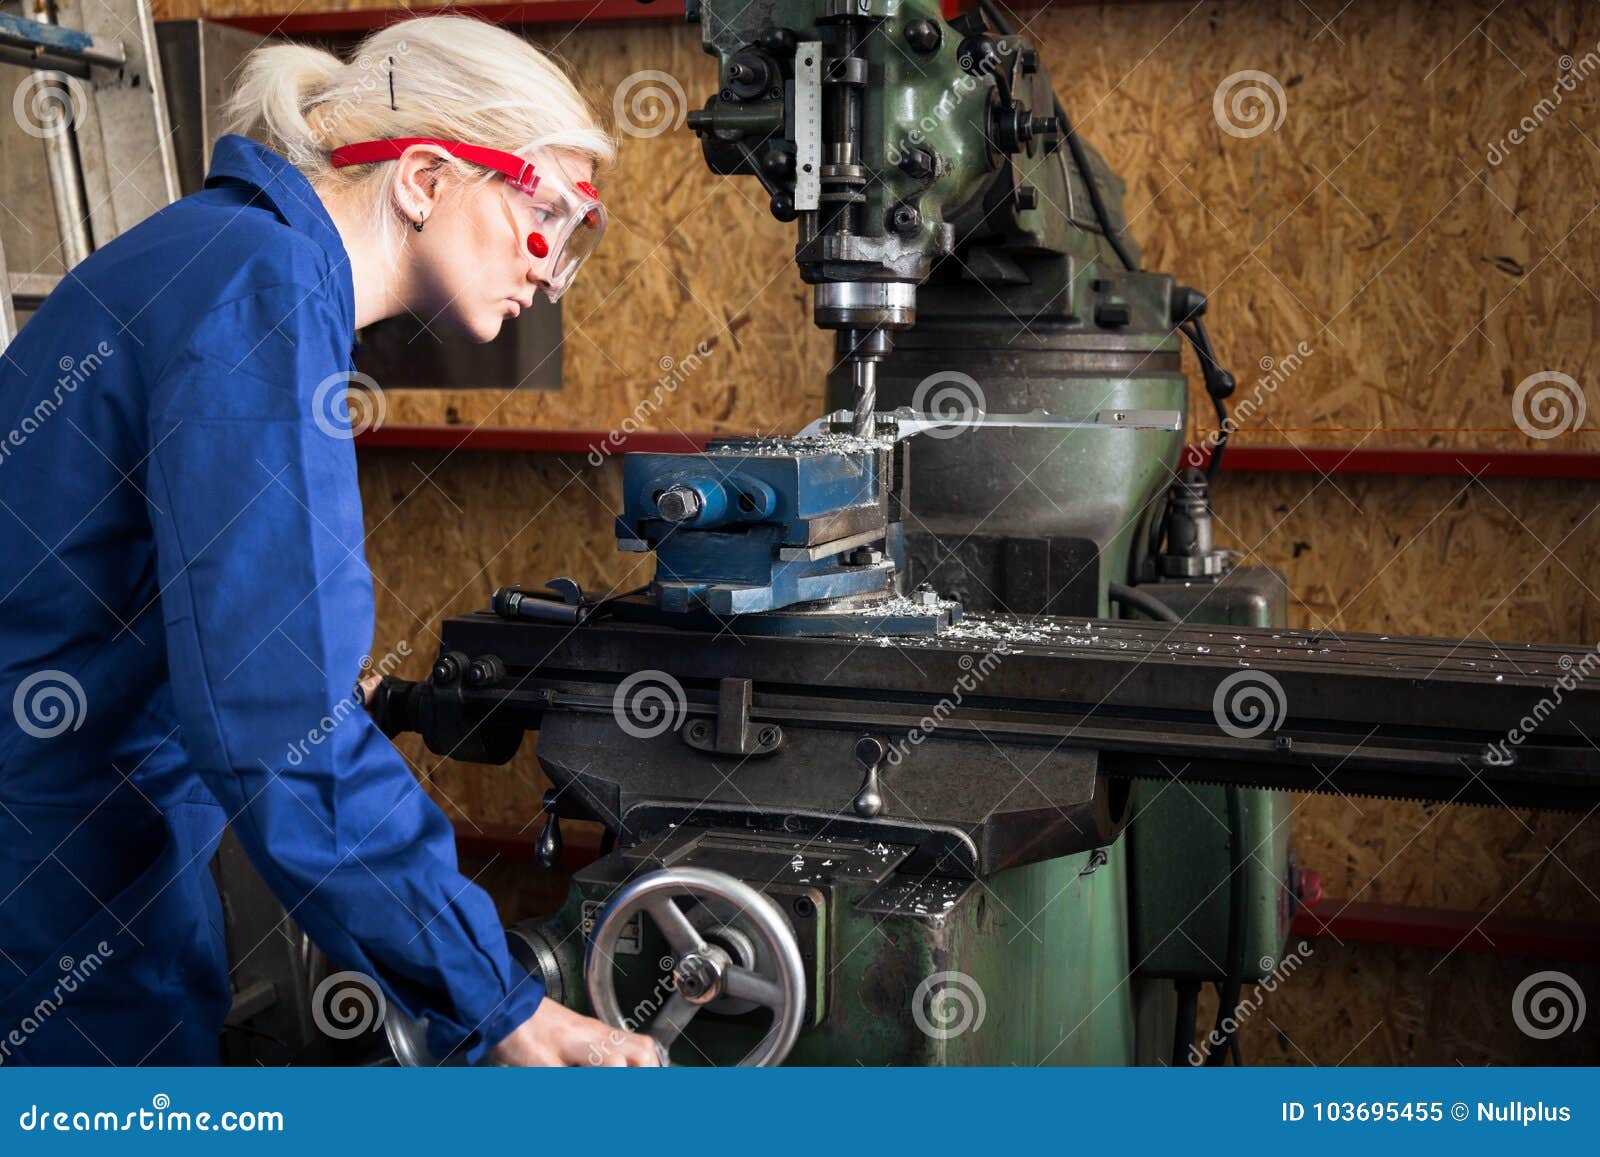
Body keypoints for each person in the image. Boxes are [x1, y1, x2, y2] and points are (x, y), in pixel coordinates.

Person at [0, 15, 657, 1067]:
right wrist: (496, 1001)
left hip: (90, 823)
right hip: (46, 850)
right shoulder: (254, 287)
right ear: (425, 179)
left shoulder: (237, 259)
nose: (548, 270)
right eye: (544, 214)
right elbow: (278, 710)